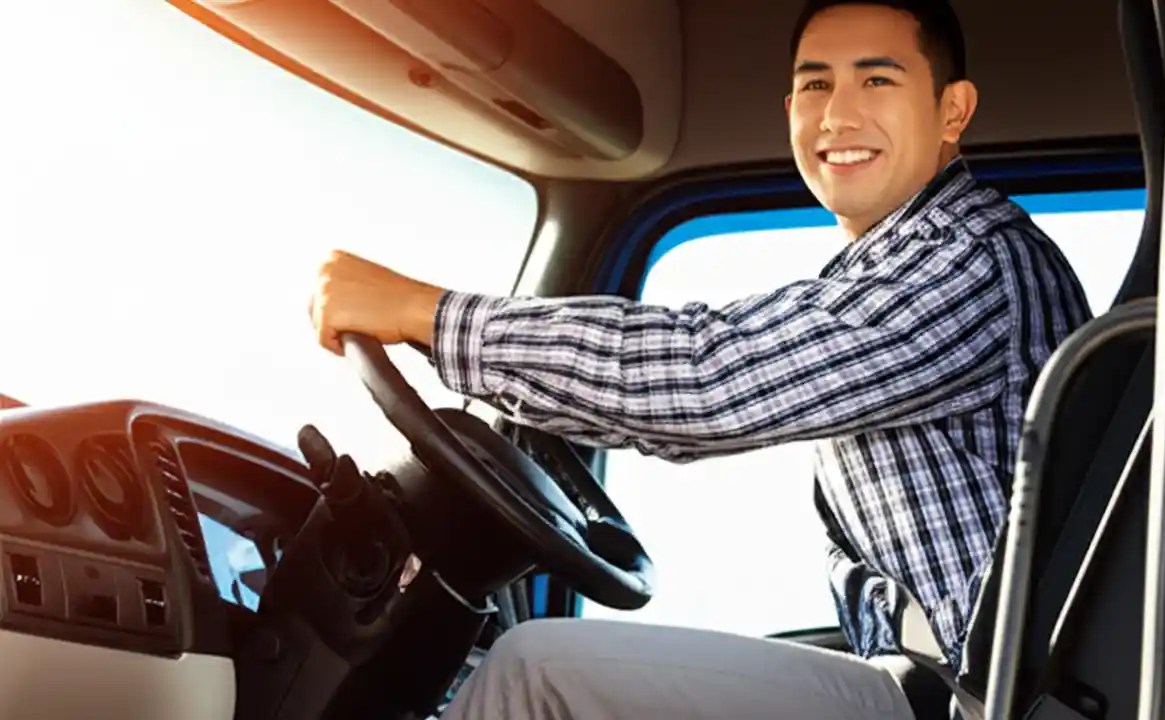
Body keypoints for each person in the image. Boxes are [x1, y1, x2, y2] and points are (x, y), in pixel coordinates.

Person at [308, 0, 1092, 716]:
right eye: (815, 87)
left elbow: (707, 380)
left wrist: (427, 315)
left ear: (952, 110)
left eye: (877, 81)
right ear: (790, 111)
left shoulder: (967, 262)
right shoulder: (902, 265)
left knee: (533, 671)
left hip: (970, 702)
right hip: (938, 687)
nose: (838, 115)